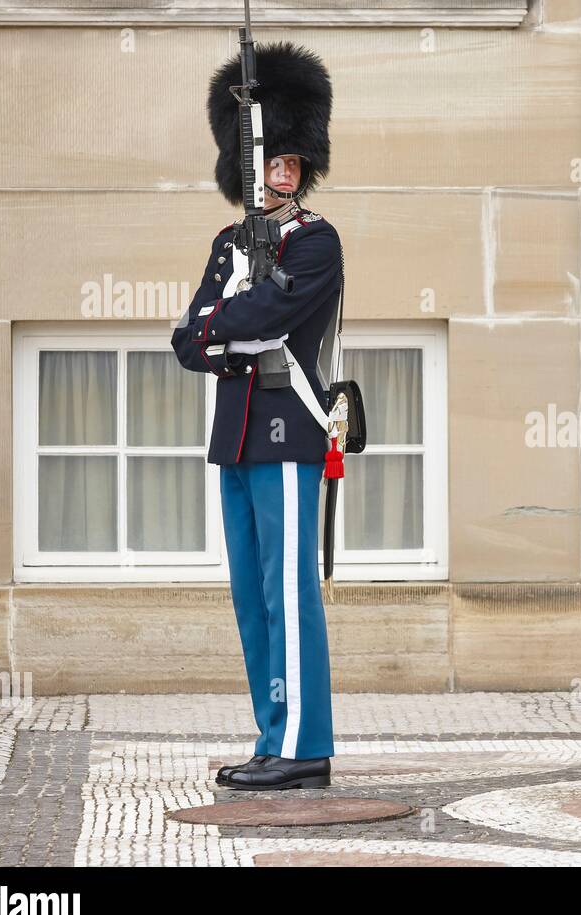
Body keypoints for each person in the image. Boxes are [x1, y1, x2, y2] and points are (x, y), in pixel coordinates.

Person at [170, 42, 342, 791]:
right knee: (251, 598)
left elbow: (272, 313)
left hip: (288, 433)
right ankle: (274, 736)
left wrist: (227, 327)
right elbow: (188, 337)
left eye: (290, 166)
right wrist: (231, 333)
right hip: (234, 440)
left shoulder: (317, 241)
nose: (280, 176)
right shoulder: (227, 246)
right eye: (268, 162)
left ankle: (306, 746)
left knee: (289, 594)